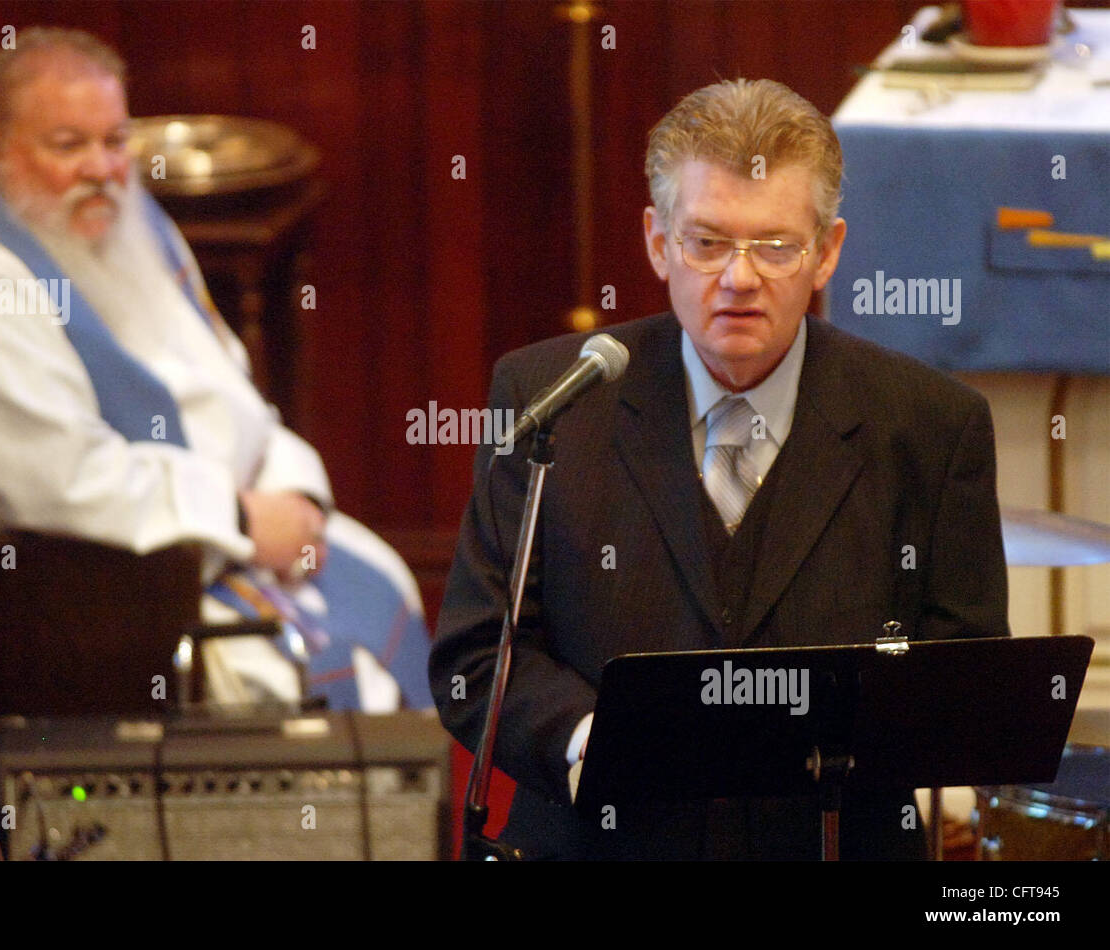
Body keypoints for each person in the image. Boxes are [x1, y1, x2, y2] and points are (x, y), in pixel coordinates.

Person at [428, 78, 1009, 859]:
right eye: (707, 242)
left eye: (775, 246)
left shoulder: (932, 426)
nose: (739, 278)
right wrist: (585, 738)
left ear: (828, 251)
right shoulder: (548, 401)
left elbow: (964, 683)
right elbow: (475, 657)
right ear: (657, 242)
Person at [0, 27, 431, 713]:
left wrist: (293, 497)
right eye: (69, 145)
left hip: (162, 543)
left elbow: (222, 386)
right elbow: (47, 485)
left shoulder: (116, 218)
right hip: (12, 593)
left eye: (115, 140)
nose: (102, 168)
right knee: (283, 682)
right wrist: (240, 519)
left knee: (380, 577)